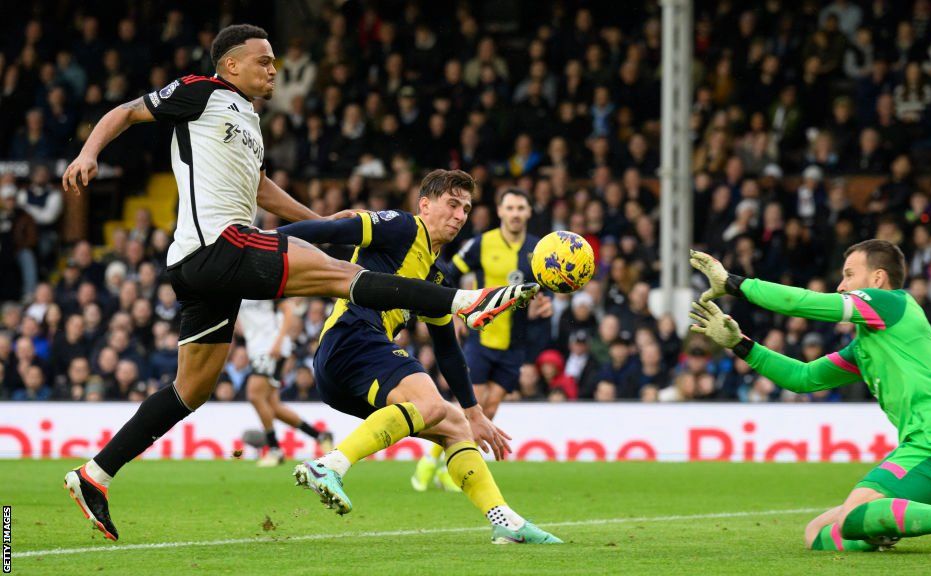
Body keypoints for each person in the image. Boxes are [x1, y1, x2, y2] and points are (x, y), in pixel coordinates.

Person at [60, 24, 538, 542]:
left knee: (191, 389)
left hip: (206, 265)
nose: (272, 69)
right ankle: (467, 301)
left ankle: (95, 475)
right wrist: (89, 153)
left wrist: (321, 226)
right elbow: (125, 112)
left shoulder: (248, 121)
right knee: (353, 277)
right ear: (231, 65)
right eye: (263, 61)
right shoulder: (200, 91)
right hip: (219, 245)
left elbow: (261, 188)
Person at [279, 169, 560, 544]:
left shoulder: (437, 273)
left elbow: (445, 345)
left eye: (466, 209)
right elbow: (330, 230)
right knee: (429, 402)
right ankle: (327, 466)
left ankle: (505, 523)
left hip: (348, 370)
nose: (460, 216)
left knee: (455, 425)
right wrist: (260, 244)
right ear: (425, 205)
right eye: (452, 205)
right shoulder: (400, 227)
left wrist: (474, 412)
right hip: (352, 338)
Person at [689, 241, 931, 551]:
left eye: (848, 275)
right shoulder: (864, 347)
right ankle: (881, 529)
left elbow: (801, 303)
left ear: (877, 278)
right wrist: (740, 345)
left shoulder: (891, 304)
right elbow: (803, 378)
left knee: (851, 516)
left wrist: (734, 283)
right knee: (816, 533)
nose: (841, 287)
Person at [410, 188, 552, 493]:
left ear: (528, 213)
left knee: (489, 409)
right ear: (500, 211)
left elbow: (546, 286)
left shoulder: (537, 250)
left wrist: (546, 301)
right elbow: (446, 272)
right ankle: (434, 462)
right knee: (468, 406)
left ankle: (451, 465)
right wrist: (453, 309)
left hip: (515, 344)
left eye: (521, 208)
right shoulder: (481, 243)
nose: (515, 213)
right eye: (510, 207)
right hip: (481, 337)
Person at [237, 298, 332, 467]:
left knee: (254, 395)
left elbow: (288, 310)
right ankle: (320, 436)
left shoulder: (262, 284)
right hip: (256, 348)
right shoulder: (237, 290)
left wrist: (279, 341)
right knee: (272, 405)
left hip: (271, 347)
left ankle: (275, 450)